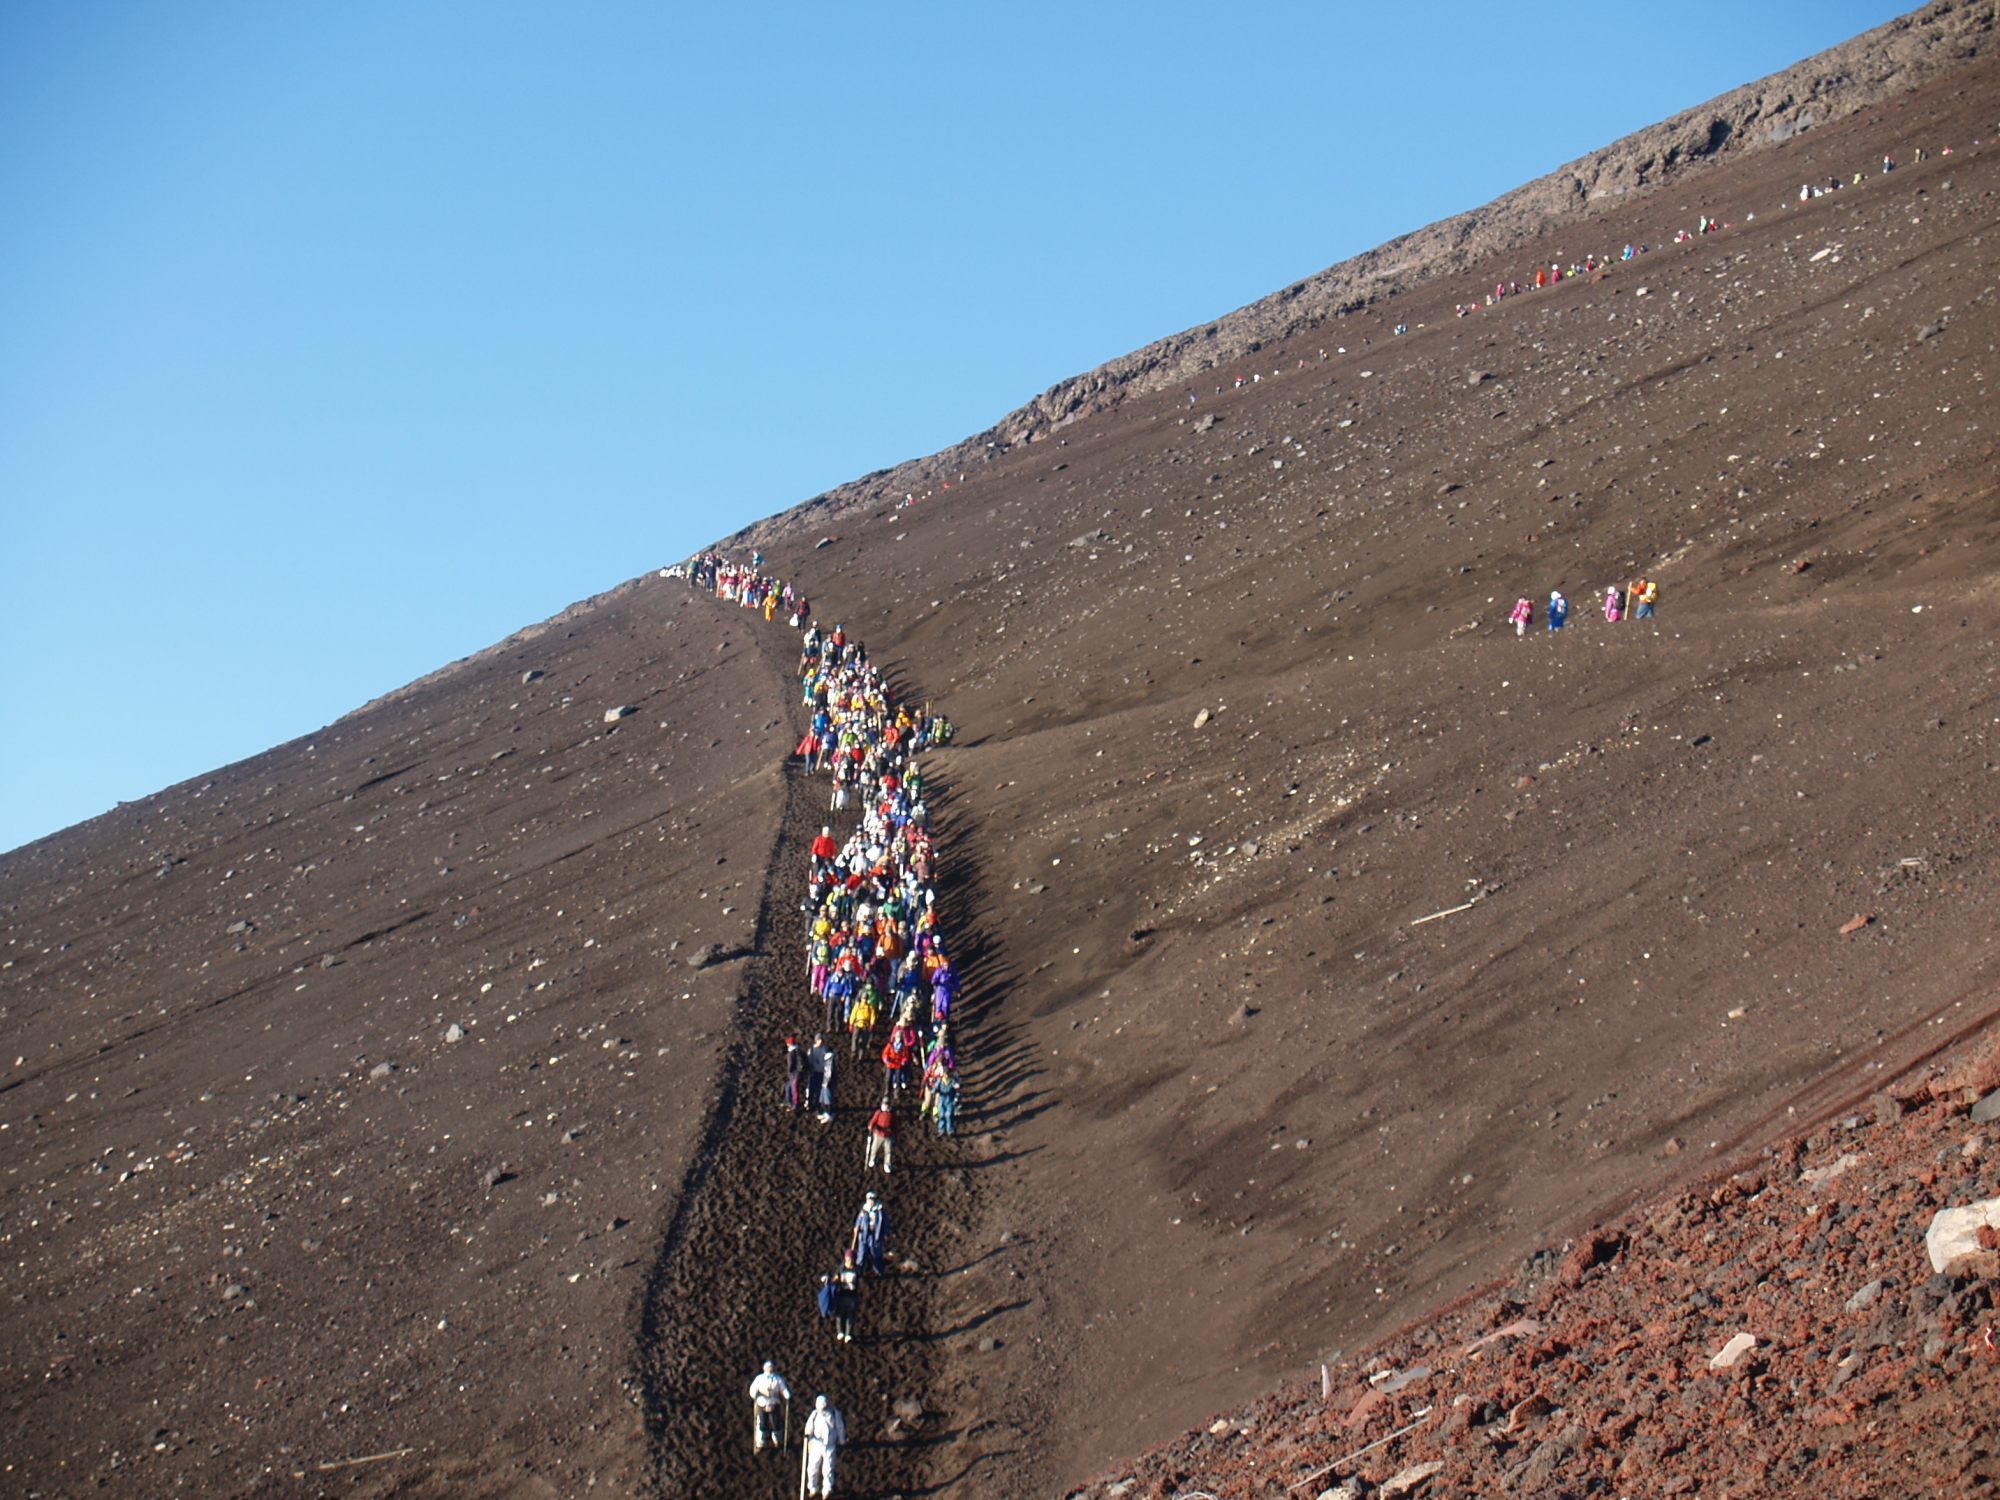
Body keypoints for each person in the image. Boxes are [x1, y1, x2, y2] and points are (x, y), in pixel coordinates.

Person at [803, 1394, 846, 1498]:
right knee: (812, 1468)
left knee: (828, 1469)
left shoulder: (835, 1414)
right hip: (816, 1445)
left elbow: (840, 1428)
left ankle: (827, 1490)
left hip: (830, 1446)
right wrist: (808, 1435)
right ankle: (813, 1488)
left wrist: (842, 1441)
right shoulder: (814, 1415)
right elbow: (808, 1428)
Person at [749, 1361, 791, 1452]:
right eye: (768, 1368)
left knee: (775, 1423)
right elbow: (753, 1388)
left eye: (771, 1368)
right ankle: (760, 1442)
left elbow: (783, 1388)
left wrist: (787, 1395)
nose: (769, 1369)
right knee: (762, 1423)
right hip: (762, 1402)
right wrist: (754, 1395)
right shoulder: (759, 1378)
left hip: (774, 1402)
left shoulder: (778, 1379)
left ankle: (777, 1439)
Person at [851, 1190, 890, 1274]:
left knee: (876, 1254)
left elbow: (885, 1223)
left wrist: (886, 1233)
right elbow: (859, 1220)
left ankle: (879, 1271)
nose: (871, 1201)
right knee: (861, 1254)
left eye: (872, 1199)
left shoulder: (880, 1211)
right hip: (864, 1235)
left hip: (876, 1235)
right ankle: (859, 1271)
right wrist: (856, 1227)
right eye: (869, 1199)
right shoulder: (864, 1210)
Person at [808, 1033, 836, 1122]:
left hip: (826, 1075)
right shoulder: (812, 1050)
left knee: (827, 1094)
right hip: (817, 1074)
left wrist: (827, 1080)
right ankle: (823, 1111)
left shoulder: (826, 1051)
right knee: (821, 1094)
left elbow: (829, 1068)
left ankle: (829, 1114)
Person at [866, 1096, 896, 1174]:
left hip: (888, 1135)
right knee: (874, 1148)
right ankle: (872, 1159)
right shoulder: (879, 1112)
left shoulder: (892, 1114)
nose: (885, 1106)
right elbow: (873, 1120)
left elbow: (895, 1124)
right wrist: (871, 1125)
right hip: (878, 1134)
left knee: (888, 1151)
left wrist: (894, 1132)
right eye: (884, 1104)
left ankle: (887, 1164)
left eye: (887, 1104)